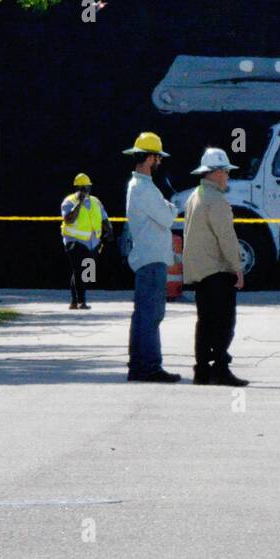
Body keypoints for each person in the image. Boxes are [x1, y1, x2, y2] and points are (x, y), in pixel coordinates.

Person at [182, 147, 248, 387]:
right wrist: (237, 268)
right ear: (217, 173)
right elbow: (227, 238)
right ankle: (220, 368)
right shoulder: (217, 201)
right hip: (217, 272)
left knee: (204, 322)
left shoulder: (194, 196)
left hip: (198, 272)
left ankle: (201, 371)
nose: (228, 176)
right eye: (226, 172)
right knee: (224, 323)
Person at [123, 132, 180, 383]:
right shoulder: (145, 188)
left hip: (147, 258)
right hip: (151, 260)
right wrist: (171, 206)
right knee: (151, 315)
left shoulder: (140, 186)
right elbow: (168, 218)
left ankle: (139, 365)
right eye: (158, 156)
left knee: (143, 314)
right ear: (149, 158)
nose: (160, 161)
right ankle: (149, 367)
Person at [61, 173, 112, 310]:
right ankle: (80, 301)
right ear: (76, 188)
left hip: (92, 242)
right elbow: (69, 219)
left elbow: (104, 218)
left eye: (87, 188)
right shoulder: (69, 202)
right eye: (82, 188)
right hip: (75, 241)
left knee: (85, 272)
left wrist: (109, 230)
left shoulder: (96, 201)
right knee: (78, 270)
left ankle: (75, 301)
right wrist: (79, 203)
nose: (85, 191)